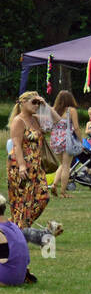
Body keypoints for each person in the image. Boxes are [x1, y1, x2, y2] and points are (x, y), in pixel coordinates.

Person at [6, 92, 51, 228]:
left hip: (37, 165)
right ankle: (18, 230)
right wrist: (21, 166)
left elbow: (57, 122)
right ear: (23, 103)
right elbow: (16, 145)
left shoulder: (36, 119)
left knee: (43, 197)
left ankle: (16, 227)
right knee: (23, 202)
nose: (36, 105)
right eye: (34, 102)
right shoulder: (18, 121)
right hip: (21, 165)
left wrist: (45, 104)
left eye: (38, 103)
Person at [48, 90, 82, 197]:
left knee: (62, 164)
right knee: (66, 166)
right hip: (67, 139)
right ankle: (63, 192)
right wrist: (80, 140)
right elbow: (76, 127)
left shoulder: (52, 110)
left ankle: (54, 184)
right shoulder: (71, 110)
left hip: (54, 139)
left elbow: (48, 126)